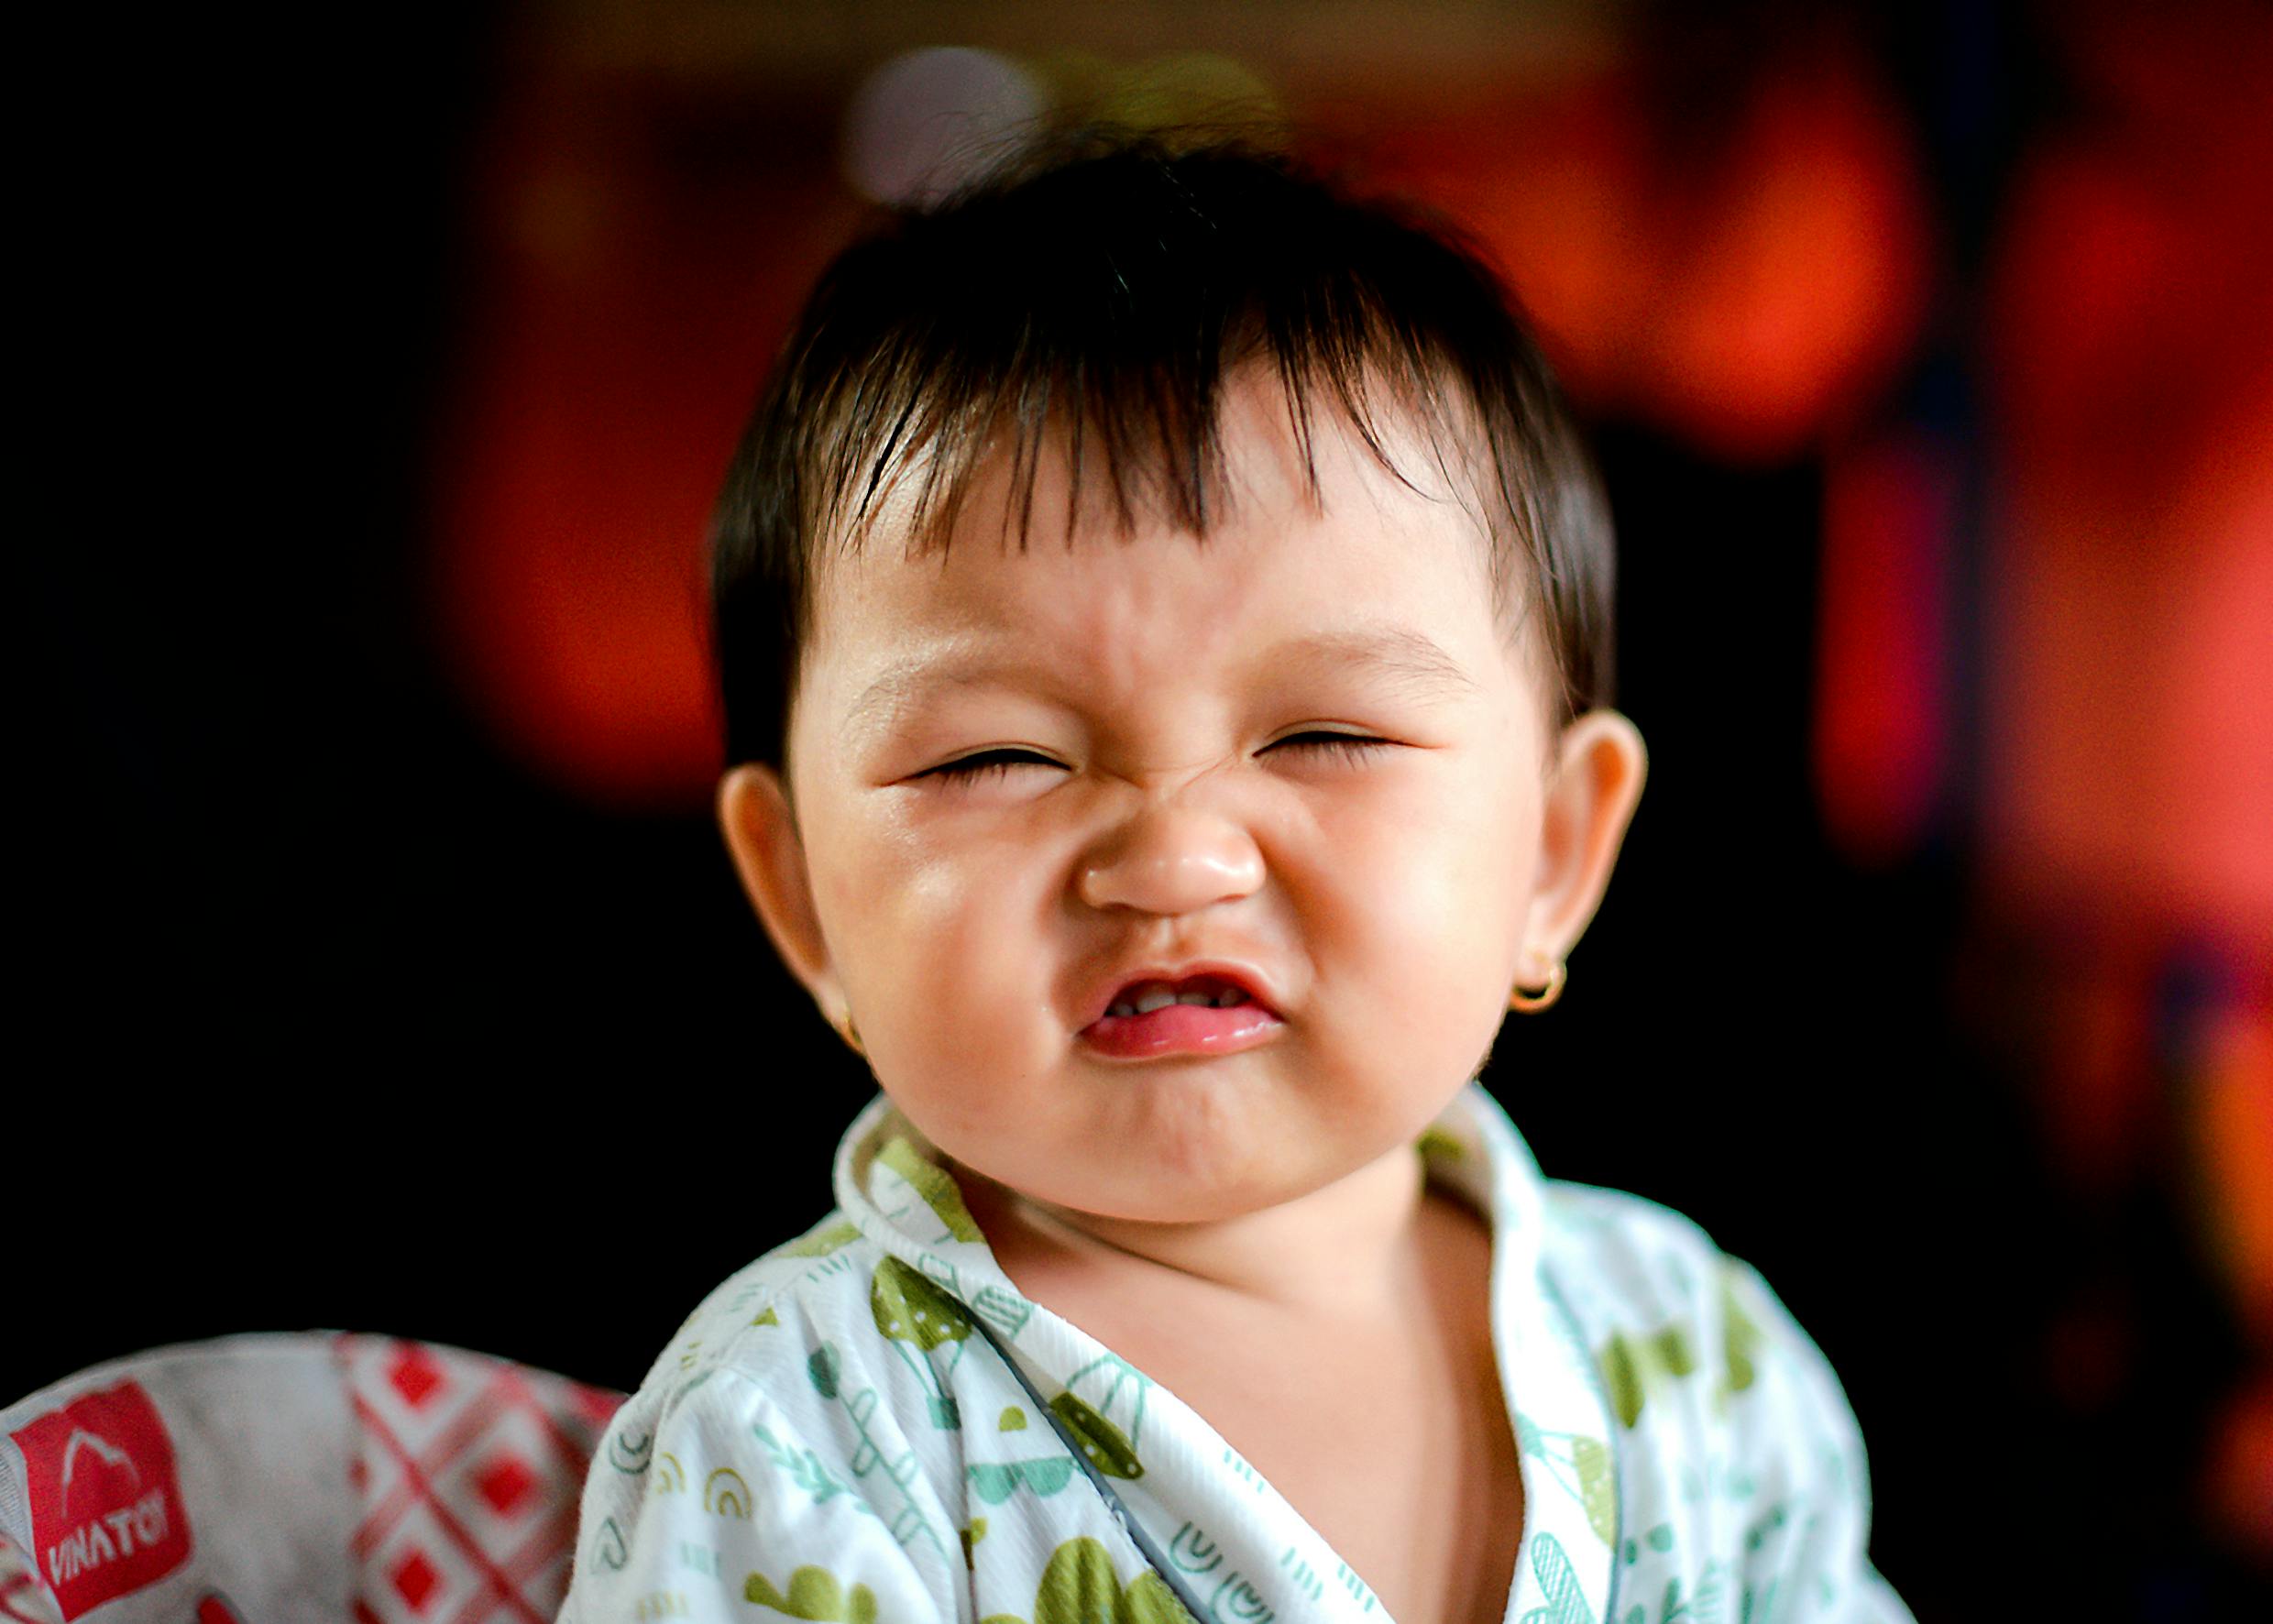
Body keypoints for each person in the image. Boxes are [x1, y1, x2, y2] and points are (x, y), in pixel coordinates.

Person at [556, 132, 1911, 1624]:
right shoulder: (805, 1444)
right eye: (994, 759)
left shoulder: (1697, 1368)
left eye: (1327, 733)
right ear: (803, 895)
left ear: (1553, 850)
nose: (1173, 861)